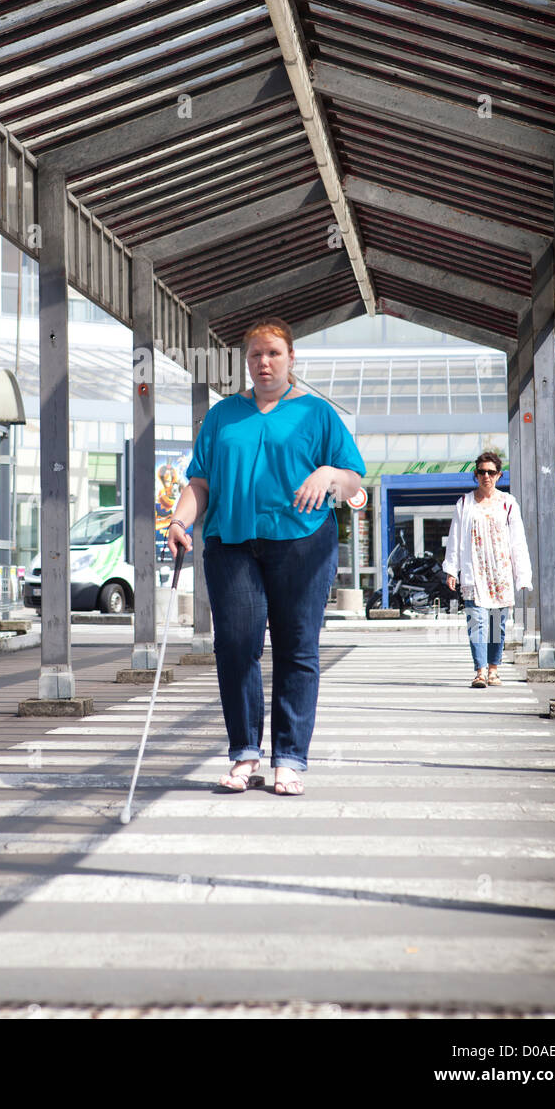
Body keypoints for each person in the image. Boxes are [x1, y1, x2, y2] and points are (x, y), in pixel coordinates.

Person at [166, 317, 365, 796]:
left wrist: (329, 474)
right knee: (235, 647)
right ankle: (245, 754)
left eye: (273, 353)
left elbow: (355, 480)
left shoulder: (317, 414)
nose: (264, 362)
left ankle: (290, 758)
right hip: (232, 544)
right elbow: (200, 482)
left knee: (298, 649)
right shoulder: (222, 416)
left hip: (301, 544)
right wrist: (178, 521)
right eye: (255, 354)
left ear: (291, 359)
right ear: (246, 361)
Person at [442, 449, 533, 689]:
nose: (486, 476)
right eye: (481, 472)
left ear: (499, 475)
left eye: (491, 472)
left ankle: (494, 669)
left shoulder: (508, 503)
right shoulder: (465, 503)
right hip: (475, 574)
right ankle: (480, 672)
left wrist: (522, 574)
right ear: (476, 474)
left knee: (497, 626)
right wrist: (452, 569)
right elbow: (455, 539)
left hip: (500, 574)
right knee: (477, 623)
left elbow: (518, 541)